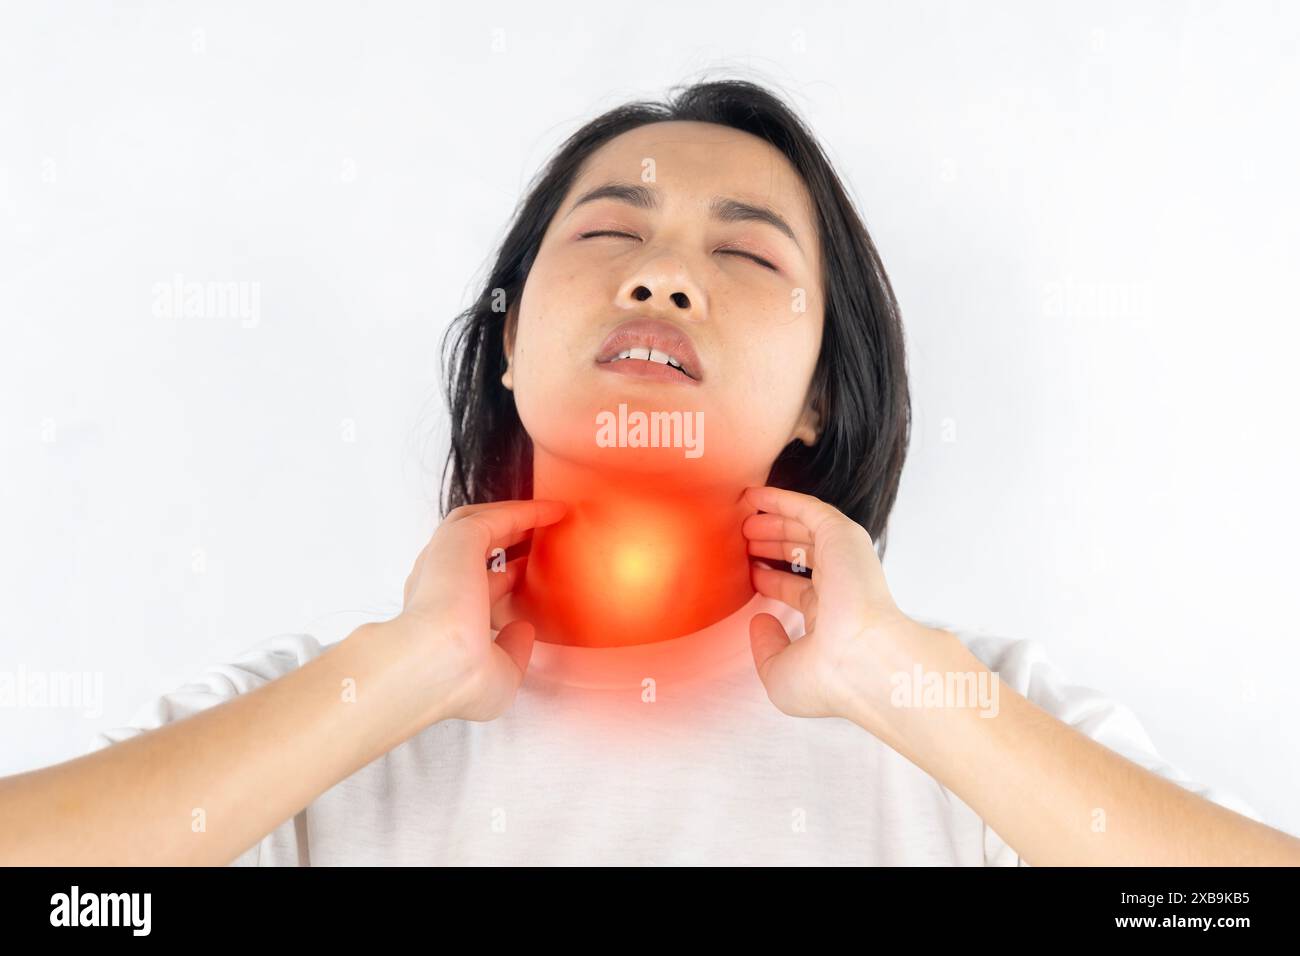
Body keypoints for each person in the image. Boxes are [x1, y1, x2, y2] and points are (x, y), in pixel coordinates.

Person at [3, 78, 1297, 866]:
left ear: (821, 397)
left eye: (747, 257)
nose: (661, 275)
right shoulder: (323, 722)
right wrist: (392, 676)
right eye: (612, 229)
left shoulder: (972, 712)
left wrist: (899, 681)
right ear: (507, 347)